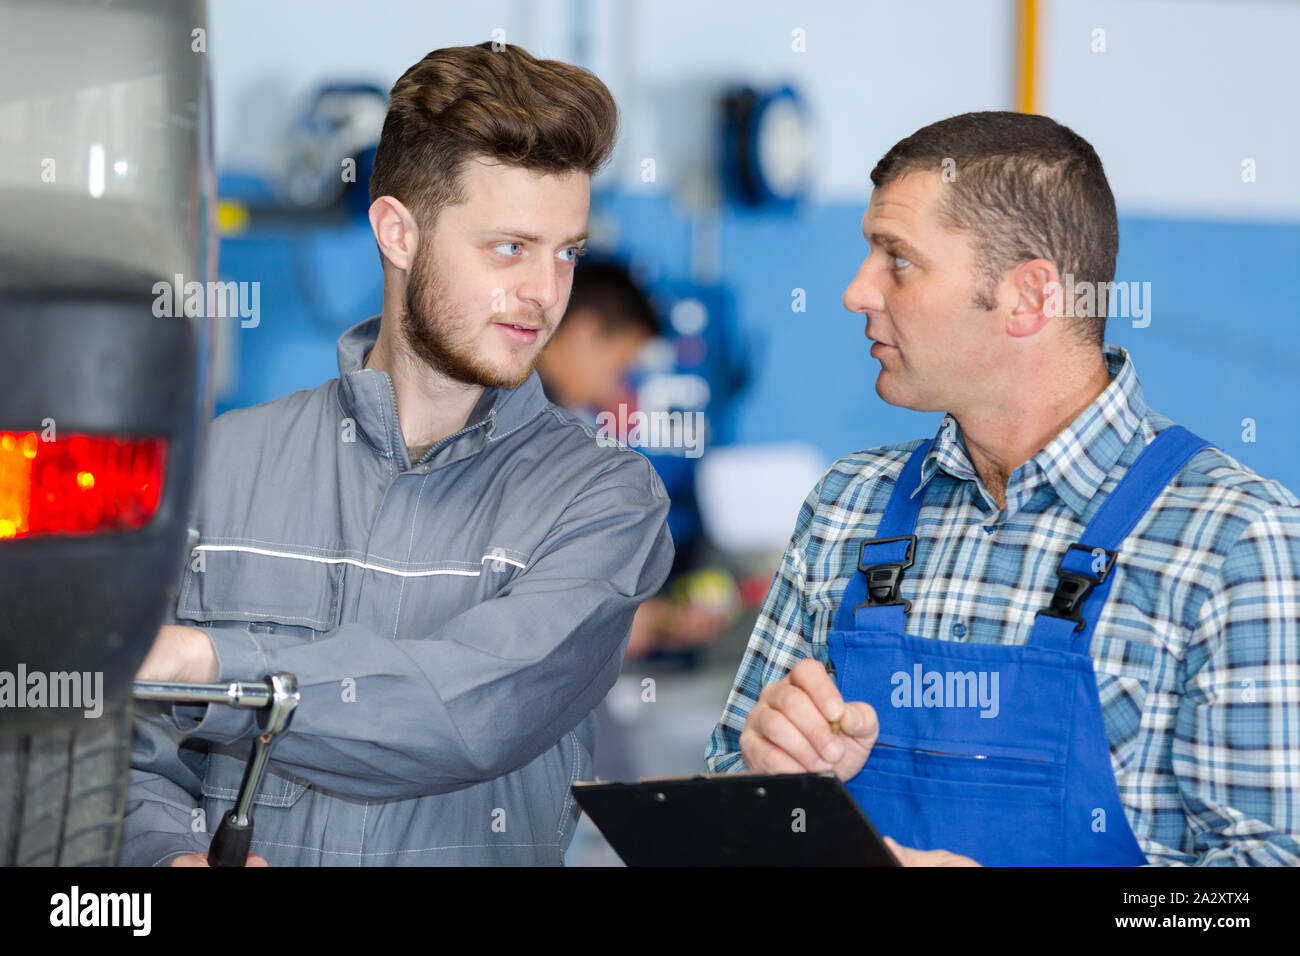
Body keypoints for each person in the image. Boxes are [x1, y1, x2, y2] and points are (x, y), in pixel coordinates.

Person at [121, 41, 674, 866]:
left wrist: (213, 663)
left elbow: (472, 710)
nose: (544, 294)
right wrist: (164, 855)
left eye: (567, 253)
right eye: (509, 248)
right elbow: (130, 744)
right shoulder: (222, 469)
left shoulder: (604, 501)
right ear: (398, 233)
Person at [706, 111, 1300, 866]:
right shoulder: (847, 505)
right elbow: (723, 809)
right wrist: (768, 784)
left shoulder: (1238, 542)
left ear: (1028, 297)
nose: (858, 292)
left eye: (898, 260)